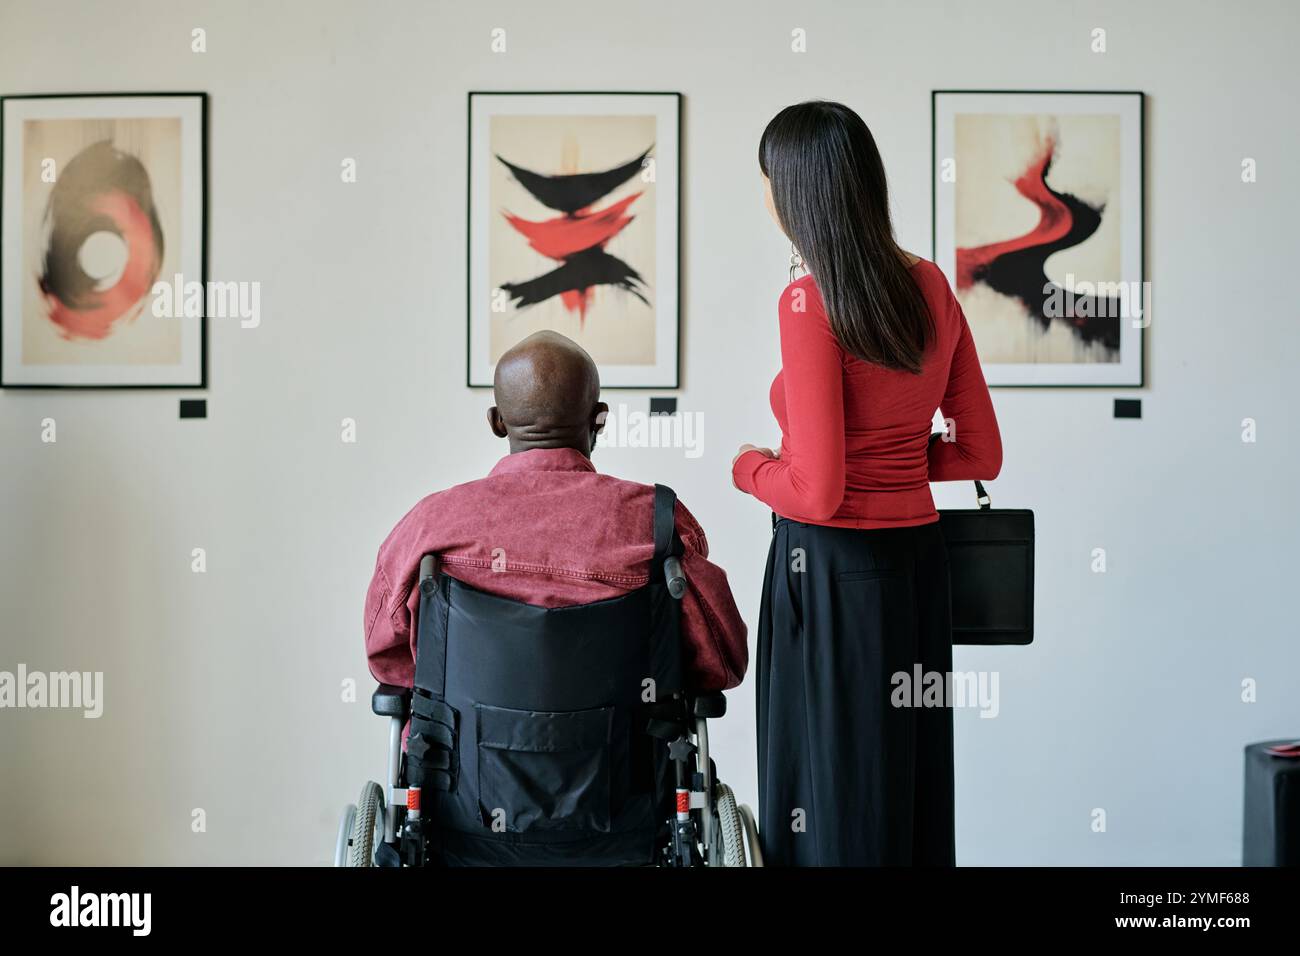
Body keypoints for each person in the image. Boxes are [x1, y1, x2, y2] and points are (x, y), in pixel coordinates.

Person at [732, 101, 1003, 866]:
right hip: (917, 570)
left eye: (766, 179)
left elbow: (817, 492)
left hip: (826, 572)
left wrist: (748, 468)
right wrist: (896, 465)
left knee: (828, 793)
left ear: (794, 192)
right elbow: (980, 453)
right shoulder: (931, 285)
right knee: (908, 787)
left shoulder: (808, 302)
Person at [366, 330, 748, 700]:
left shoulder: (430, 523)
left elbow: (387, 657)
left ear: (497, 421)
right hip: (629, 744)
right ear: (600, 418)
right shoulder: (658, 519)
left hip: (462, 744)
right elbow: (722, 660)